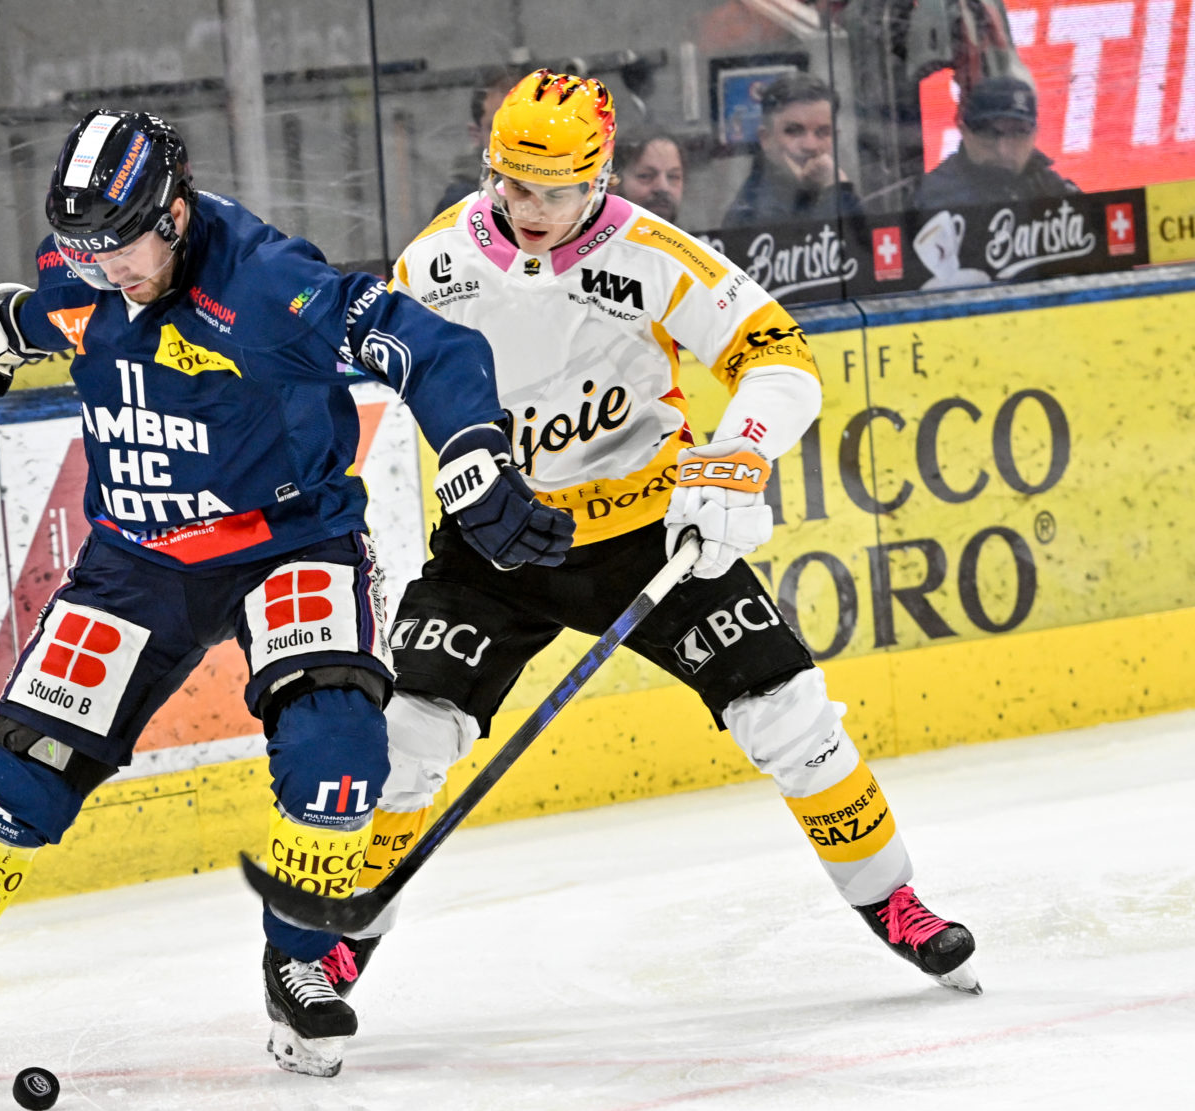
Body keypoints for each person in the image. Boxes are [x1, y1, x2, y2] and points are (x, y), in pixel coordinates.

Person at [0, 109, 573, 1100]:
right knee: (18, 781)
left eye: (122, 246)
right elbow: (46, 309)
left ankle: (296, 960)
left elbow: (428, 345)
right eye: (83, 253)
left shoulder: (266, 282)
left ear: (174, 213)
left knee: (338, 752)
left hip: (287, 539)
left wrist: (472, 450)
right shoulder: (92, 269)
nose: (105, 270)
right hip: (137, 563)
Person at [349, 70, 978, 1003]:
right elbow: (366, 386)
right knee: (406, 739)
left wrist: (738, 459)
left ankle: (892, 902)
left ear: (600, 176)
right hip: (494, 546)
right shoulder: (435, 263)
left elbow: (777, 354)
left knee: (788, 714)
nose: (533, 209)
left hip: (651, 534)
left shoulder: (652, 253)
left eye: (558, 190)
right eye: (517, 185)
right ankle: (339, 945)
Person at [914, 76, 1077, 211]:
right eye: (988, 134)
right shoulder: (931, 201)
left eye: (1018, 133)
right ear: (964, 132)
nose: (1003, 150)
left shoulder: (1054, 191)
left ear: (1035, 134)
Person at [721, 72, 864, 226]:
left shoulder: (820, 188)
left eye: (823, 132)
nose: (810, 146)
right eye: (794, 131)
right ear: (766, 139)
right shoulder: (753, 210)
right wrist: (837, 190)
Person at [432, 66, 537, 217]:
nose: (512, 141)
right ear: (476, 134)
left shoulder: (573, 196)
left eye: (525, 127)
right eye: (496, 128)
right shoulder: (458, 208)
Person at [612, 129, 685, 222]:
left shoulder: (693, 236)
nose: (663, 187)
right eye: (646, 176)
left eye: (673, 177)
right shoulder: (592, 235)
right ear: (613, 183)